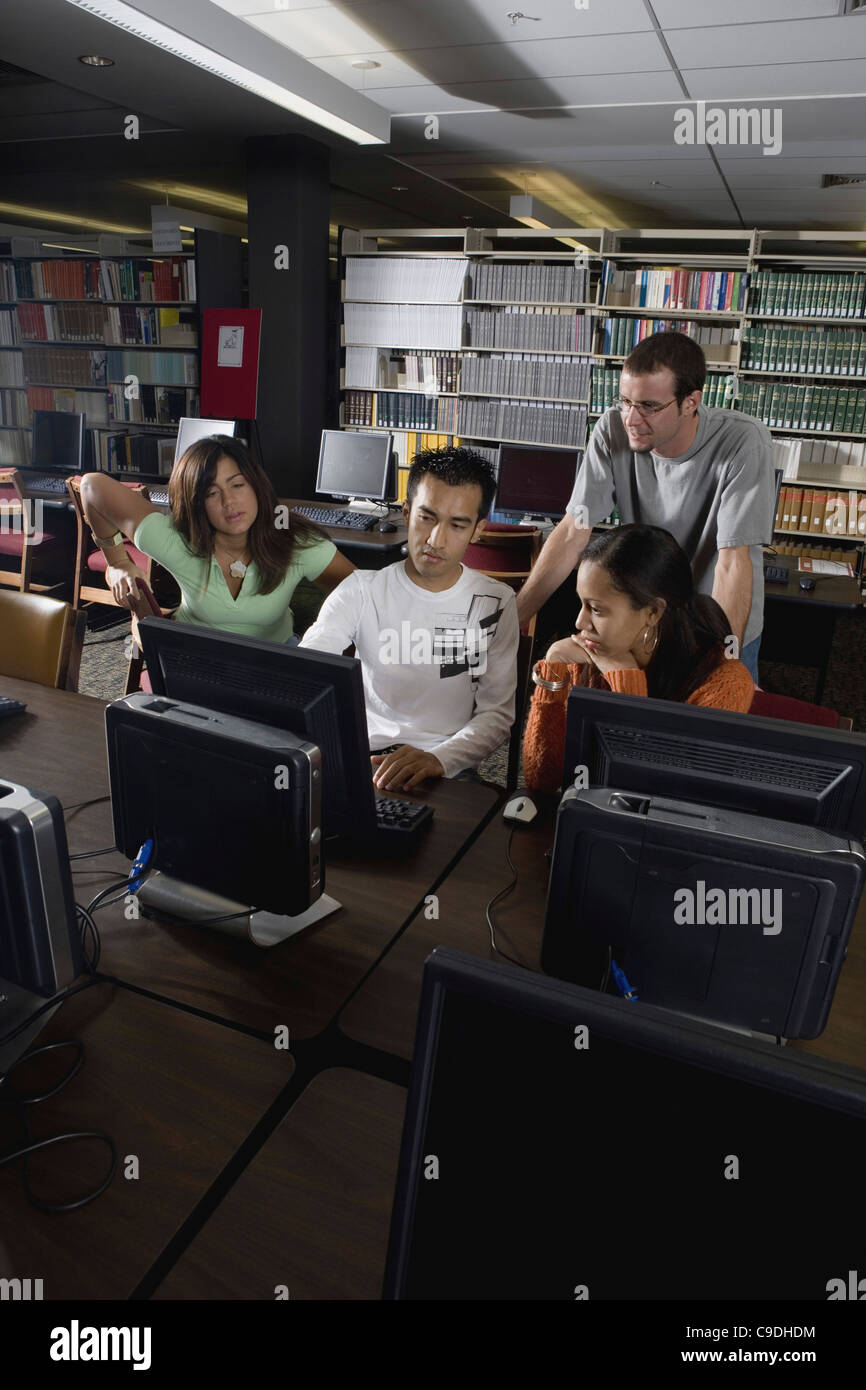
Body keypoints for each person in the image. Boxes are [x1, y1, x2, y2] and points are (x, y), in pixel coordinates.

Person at [515, 331, 775, 684]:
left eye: (649, 406)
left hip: (715, 615)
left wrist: (724, 660)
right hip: (648, 616)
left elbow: (732, 561)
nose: (632, 419)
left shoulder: (743, 440)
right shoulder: (612, 428)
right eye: (625, 401)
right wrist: (516, 616)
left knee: (718, 718)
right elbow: (574, 529)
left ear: (690, 402)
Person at [300, 446, 520, 792]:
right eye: (426, 517)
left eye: (457, 525)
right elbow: (308, 668)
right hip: (367, 758)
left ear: (477, 531)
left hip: (448, 766)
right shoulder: (360, 590)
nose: (436, 540)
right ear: (406, 512)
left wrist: (440, 759)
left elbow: (497, 716)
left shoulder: (496, 602)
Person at [522, 523, 755, 795]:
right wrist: (554, 669)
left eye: (596, 609)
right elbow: (541, 780)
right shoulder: (586, 658)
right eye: (581, 604)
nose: (579, 621)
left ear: (653, 612)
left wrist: (625, 683)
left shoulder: (726, 682)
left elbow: (651, 793)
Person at [80, 434, 354, 643]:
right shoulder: (175, 541)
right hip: (200, 662)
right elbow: (92, 486)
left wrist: (325, 642)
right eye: (212, 493)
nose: (229, 501)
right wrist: (116, 561)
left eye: (237, 485)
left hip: (275, 664)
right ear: (196, 503)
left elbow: (364, 598)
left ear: (256, 486)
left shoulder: (294, 542)